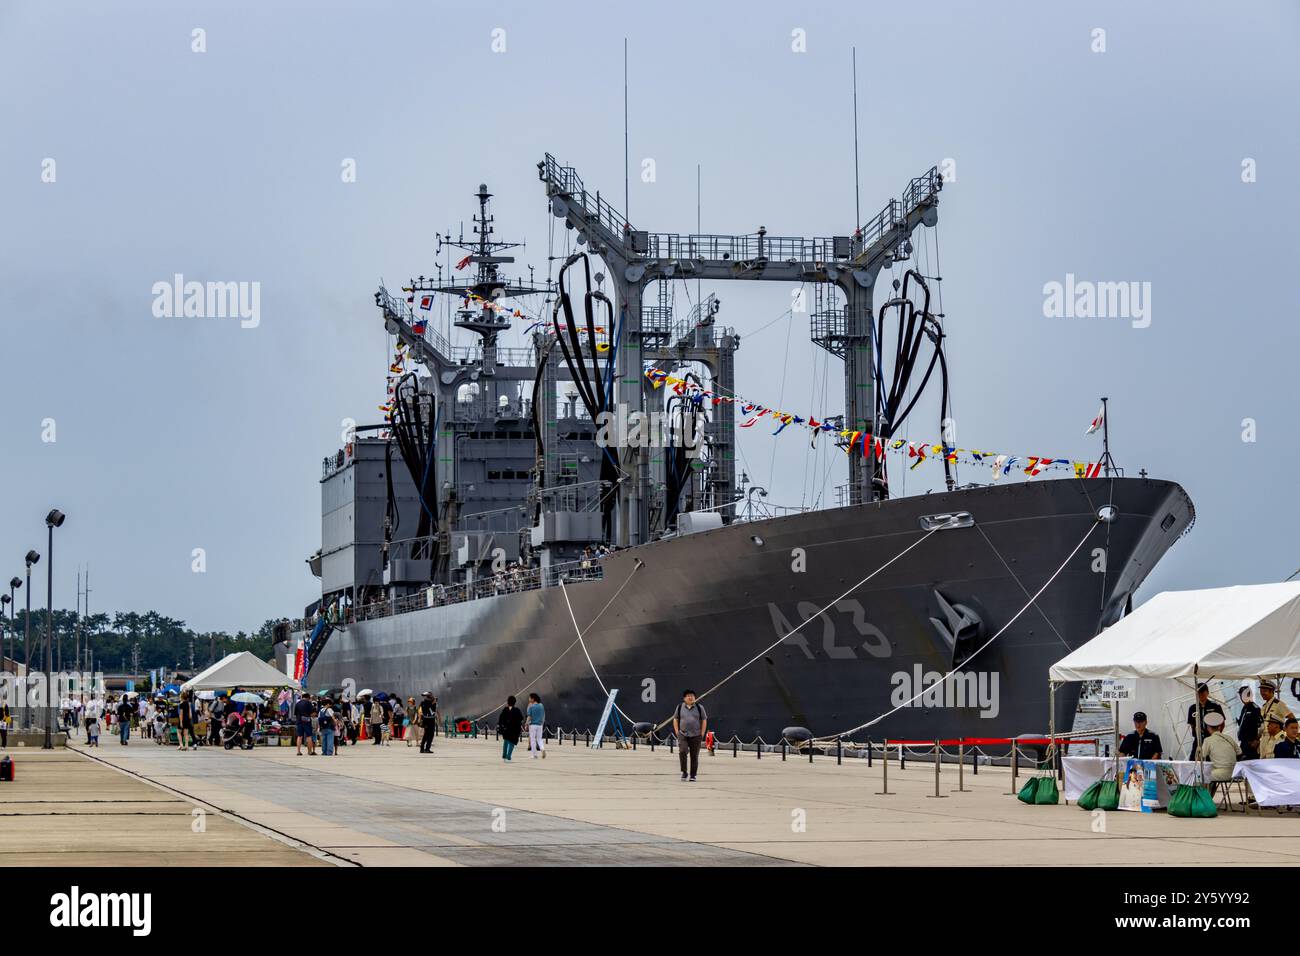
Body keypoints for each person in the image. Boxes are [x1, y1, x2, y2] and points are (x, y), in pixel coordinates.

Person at [1197, 711, 1241, 788]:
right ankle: (1208, 797)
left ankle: (1204, 799)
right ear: (1220, 727)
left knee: (1199, 777)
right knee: (1209, 774)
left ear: (1208, 728)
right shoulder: (1229, 738)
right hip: (1234, 772)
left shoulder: (1208, 740)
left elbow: (1200, 757)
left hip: (1221, 773)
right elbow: (1239, 753)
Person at [673, 689, 709, 782]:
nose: (690, 697)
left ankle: (693, 775)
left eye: (692, 695)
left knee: (694, 755)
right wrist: (677, 732)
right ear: (684, 698)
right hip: (683, 734)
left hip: (696, 735)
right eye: (688, 696)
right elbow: (675, 719)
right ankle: (684, 772)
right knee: (683, 751)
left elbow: (704, 720)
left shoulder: (699, 707)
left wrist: (702, 733)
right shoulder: (680, 707)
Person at [1186, 683, 1225, 753]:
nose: (1201, 695)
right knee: (1194, 760)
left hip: (1212, 739)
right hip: (1198, 741)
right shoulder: (1192, 708)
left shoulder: (1215, 706)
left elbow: (1222, 723)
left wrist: (1216, 735)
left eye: (1203, 692)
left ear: (1207, 692)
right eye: (1199, 692)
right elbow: (1192, 725)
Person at [1237, 685, 1262, 760]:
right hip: (1243, 742)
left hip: (1251, 743)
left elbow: (1261, 726)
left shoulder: (1255, 708)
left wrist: (1257, 740)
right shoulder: (1244, 708)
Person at [498, 696, 524, 761]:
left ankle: (504, 754)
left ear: (507, 702)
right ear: (515, 702)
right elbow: (521, 718)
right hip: (514, 729)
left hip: (506, 729)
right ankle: (508, 755)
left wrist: (502, 726)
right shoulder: (517, 710)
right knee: (512, 742)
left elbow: (501, 719)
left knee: (506, 741)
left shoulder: (505, 709)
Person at [525, 693, 545, 759]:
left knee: (533, 739)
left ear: (533, 699)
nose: (529, 699)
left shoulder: (531, 706)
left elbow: (529, 717)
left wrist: (526, 724)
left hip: (533, 725)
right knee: (539, 739)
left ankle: (534, 755)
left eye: (529, 698)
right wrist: (542, 722)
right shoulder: (541, 705)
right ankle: (542, 749)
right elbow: (543, 715)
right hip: (540, 725)